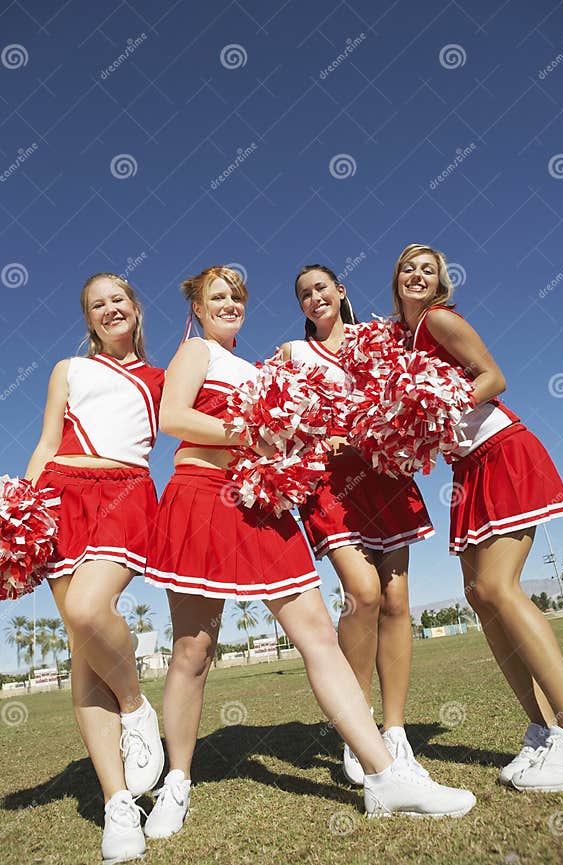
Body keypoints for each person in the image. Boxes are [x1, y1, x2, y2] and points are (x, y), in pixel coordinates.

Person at [143, 265, 475, 840]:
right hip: (203, 498)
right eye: (216, 297)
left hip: (262, 506)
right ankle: (175, 782)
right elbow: (171, 417)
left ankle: (384, 774)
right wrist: (253, 432)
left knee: (319, 634)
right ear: (196, 308)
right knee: (192, 652)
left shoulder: (258, 368)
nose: (229, 304)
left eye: (236, 297)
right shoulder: (197, 354)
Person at [393, 243, 563, 791]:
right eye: (410, 267)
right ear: (396, 278)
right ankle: (542, 732)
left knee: (499, 586)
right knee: (478, 594)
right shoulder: (403, 342)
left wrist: (434, 413)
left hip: (503, 452)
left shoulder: (438, 320)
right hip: (468, 468)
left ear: (440, 283)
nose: (420, 275)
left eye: (430, 269)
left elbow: (493, 378)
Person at [26, 273, 165, 864]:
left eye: (118, 299)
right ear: (89, 319)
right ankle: (118, 804)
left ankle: (134, 706)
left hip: (125, 491)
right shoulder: (68, 368)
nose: (110, 309)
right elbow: (46, 442)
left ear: (135, 308)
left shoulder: (163, 379)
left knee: (88, 609)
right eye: (97, 304)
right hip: (60, 495)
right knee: (82, 649)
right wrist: (20, 511)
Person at [279, 264, 435, 786]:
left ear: (341, 291)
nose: (313, 297)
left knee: (396, 602)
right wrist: (314, 444)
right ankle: (358, 721)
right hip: (330, 484)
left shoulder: (379, 337)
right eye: (304, 294)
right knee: (363, 594)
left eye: (321, 287)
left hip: (386, 472)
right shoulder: (292, 353)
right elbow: (276, 415)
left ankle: (394, 731)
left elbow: (412, 386)